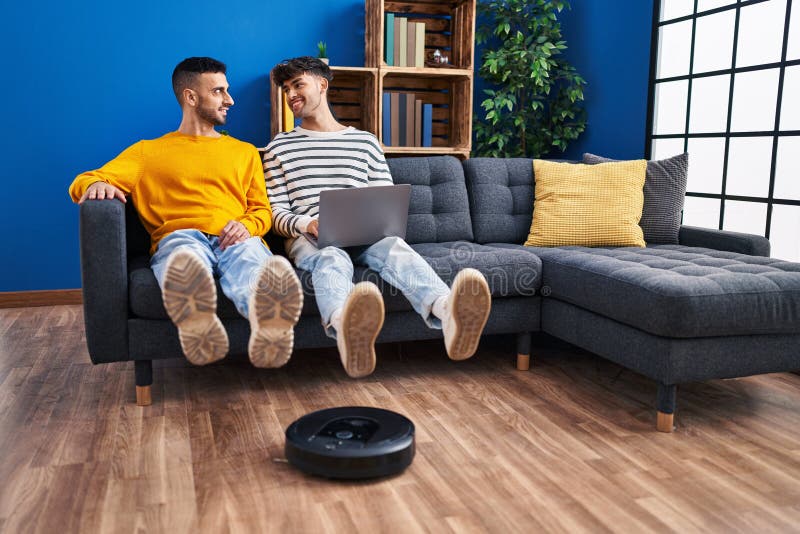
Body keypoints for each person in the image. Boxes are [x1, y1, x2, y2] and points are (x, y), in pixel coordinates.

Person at [263, 56, 491, 378]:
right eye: (286, 89)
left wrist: (382, 222)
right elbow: (274, 212)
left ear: (322, 84)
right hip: (311, 237)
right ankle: (345, 327)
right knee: (331, 258)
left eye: (297, 85)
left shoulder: (365, 142)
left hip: (366, 233)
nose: (291, 95)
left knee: (395, 248)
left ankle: (449, 314)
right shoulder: (280, 147)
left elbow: (385, 198)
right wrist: (306, 223)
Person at [69, 57, 303, 368]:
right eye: (218, 91)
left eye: (227, 90)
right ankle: (197, 319)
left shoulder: (244, 152)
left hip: (236, 237)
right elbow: (85, 179)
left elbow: (261, 211)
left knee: (249, 257)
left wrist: (246, 226)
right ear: (191, 97)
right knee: (183, 256)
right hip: (180, 236)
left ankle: (270, 318)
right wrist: (96, 184)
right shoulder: (147, 152)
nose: (230, 100)